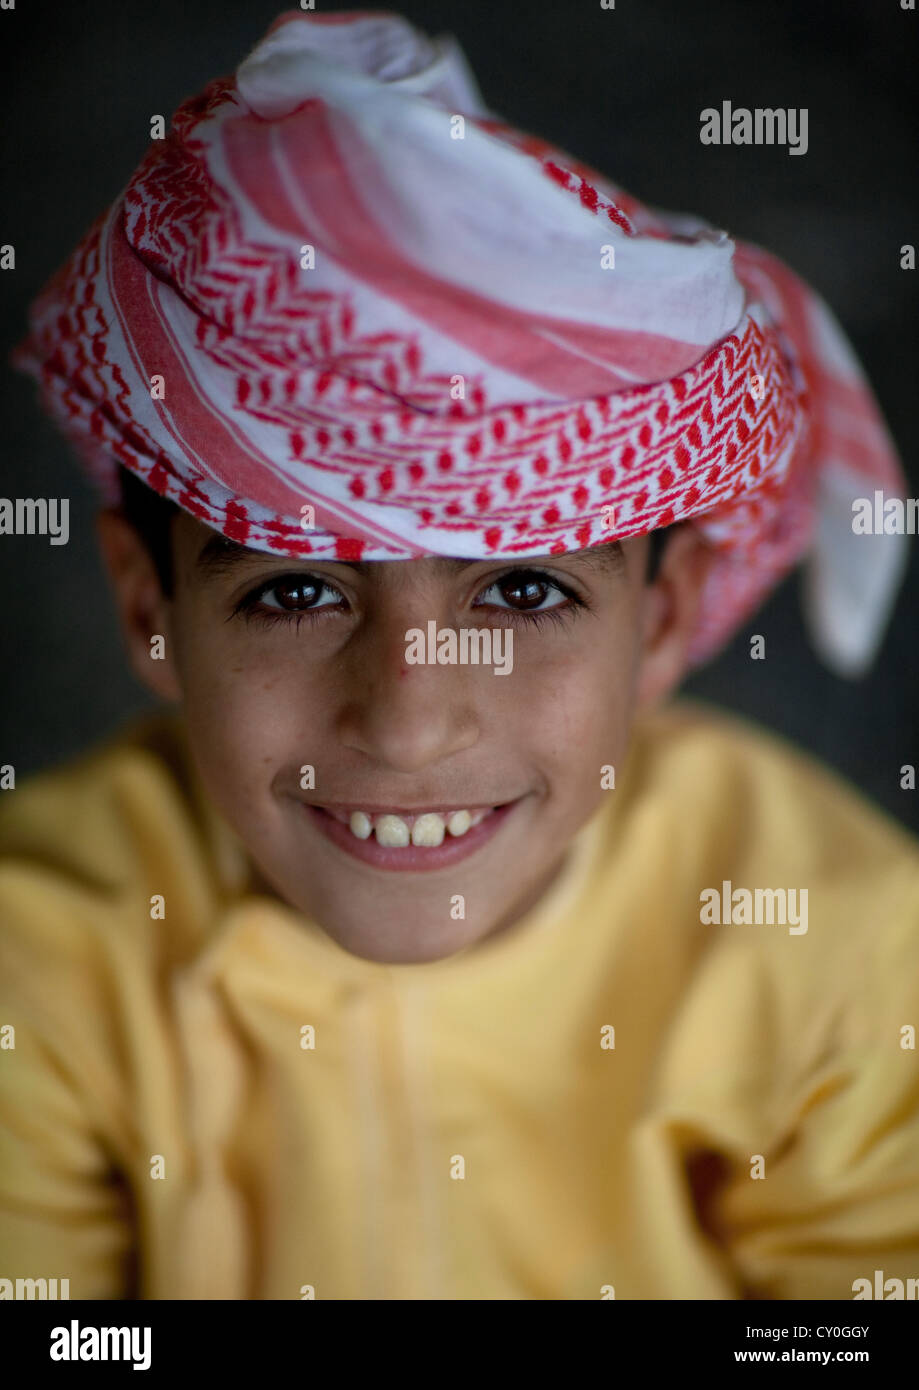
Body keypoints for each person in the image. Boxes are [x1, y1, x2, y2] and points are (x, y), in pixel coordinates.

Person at [2, 9, 917, 1301]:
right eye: (298, 589)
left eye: (526, 588)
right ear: (149, 607)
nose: (409, 720)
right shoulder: (40, 954)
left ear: (661, 619)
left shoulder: (842, 953)